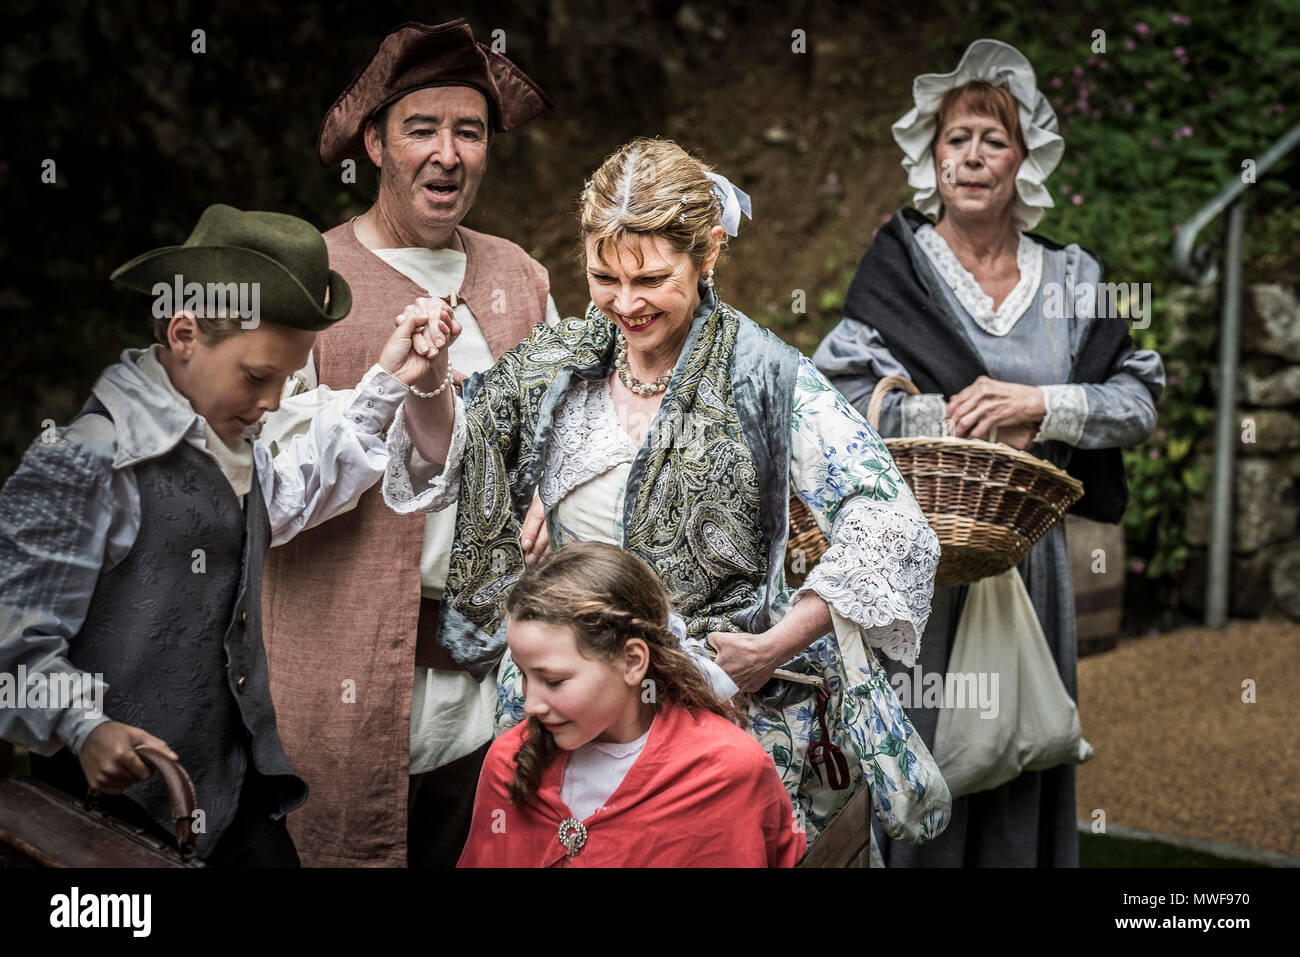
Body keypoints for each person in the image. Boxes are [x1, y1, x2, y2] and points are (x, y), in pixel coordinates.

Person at [385, 136, 952, 859]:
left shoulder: (764, 377)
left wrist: (772, 646)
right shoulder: (559, 365)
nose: (625, 303)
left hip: (714, 712)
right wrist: (430, 379)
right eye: (603, 276)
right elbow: (451, 458)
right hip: (568, 711)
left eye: (651, 278)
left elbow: (890, 524)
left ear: (708, 254)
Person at [0, 205, 450, 866]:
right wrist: (84, 726)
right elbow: (12, 646)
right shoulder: (82, 462)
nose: (273, 402)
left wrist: (386, 383)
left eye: (288, 380)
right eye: (257, 376)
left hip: (237, 807)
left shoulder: (233, 448)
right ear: (184, 334)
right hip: (109, 825)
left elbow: (295, 489)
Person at [813, 39, 1165, 867]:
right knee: (930, 752)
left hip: (1032, 562)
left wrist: (1042, 402)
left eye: (993, 140)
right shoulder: (897, 268)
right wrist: (950, 413)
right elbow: (831, 402)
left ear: (1026, 157)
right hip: (923, 562)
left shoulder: (1077, 277)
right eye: (955, 139)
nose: (971, 157)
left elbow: (1141, 399)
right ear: (930, 158)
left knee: (1021, 739)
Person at [259, 18, 559, 867]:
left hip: (498, 696)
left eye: (469, 131)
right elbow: (266, 495)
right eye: (421, 129)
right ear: (375, 144)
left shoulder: (521, 280)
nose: (448, 153)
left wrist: (548, 491)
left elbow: (573, 437)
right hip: (338, 689)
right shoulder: (308, 284)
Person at [458, 542, 804, 867]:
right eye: (523, 674)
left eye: (553, 681)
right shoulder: (509, 760)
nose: (530, 704)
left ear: (632, 661)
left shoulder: (725, 771)